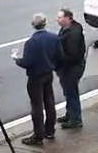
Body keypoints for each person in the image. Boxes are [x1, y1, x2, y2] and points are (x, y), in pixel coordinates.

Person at [14, 13, 64, 146]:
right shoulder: (53, 38)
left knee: (37, 106)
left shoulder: (31, 42)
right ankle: (50, 130)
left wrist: (17, 59)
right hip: (48, 73)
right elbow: (60, 55)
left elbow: (27, 62)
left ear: (33, 25)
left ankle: (38, 135)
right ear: (45, 23)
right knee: (49, 102)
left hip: (35, 77)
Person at [55, 8, 85, 129]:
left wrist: (59, 63)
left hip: (72, 67)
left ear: (68, 18)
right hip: (66, 67)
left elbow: (72, 55)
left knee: (72, 93)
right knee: (67, 92)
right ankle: (69, 114)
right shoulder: (65, 29)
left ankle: (76, 119)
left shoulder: (73, 34)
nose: (58, 20)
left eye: (60, 17)